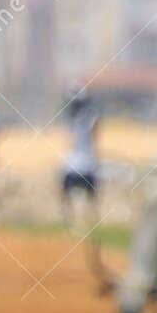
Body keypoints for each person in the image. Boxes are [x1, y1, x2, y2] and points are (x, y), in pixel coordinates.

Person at [59, 90, 101, 227]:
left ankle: (72, 219)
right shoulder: (89, 118)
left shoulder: (78, 120)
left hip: (77, 164)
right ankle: (83, 220)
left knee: (69, 193)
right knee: (89, 196)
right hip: (85, 163)